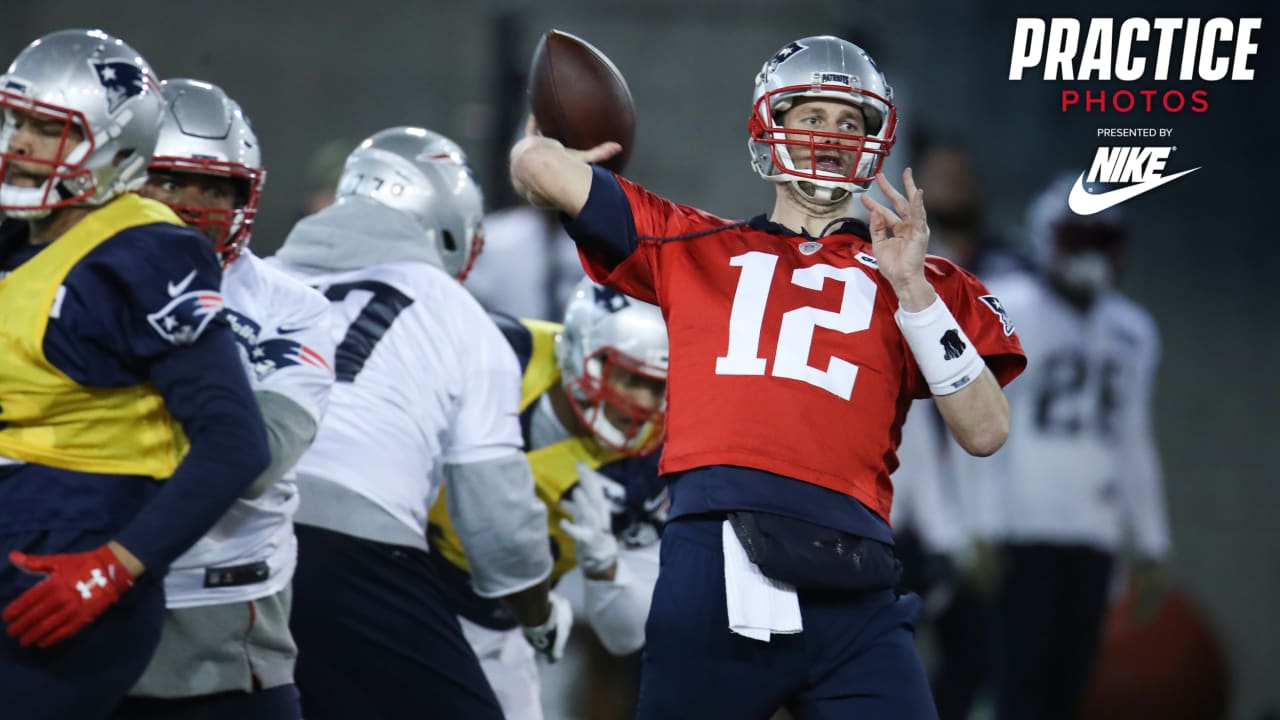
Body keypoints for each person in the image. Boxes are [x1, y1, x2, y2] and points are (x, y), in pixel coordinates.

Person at [510, 34, 1027, 718]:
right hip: (718, 554)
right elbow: (538, 163)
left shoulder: (923, 279)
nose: (832, 136)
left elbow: (987, 430)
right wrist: (550, 144)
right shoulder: (692, 244)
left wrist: (914, 296)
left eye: (851, 122)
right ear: (770, 124)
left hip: (858, 574)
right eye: (812, 115)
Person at [0, 29, 269, 718]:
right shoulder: (17, 237)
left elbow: (236, 440)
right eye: (16, 120)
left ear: (115, 146)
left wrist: (115, 567)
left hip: (58, 573)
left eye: (47, 128)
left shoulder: (143, 253)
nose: (21, 142)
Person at [270, 127, 567, 719]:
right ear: (452, 225)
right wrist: (538, 616)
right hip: (353, 553)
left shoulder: (257, 277)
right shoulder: (459, 315)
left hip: (228, 538)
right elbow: (499, 531)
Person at [112, 79, 335, 719]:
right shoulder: (64, 276)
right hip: (78, 604)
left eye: (215, 188)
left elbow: (255, 457)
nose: (190, 204)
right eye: (169, 180)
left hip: (220, 623)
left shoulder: (291, 307)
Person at [959, 173, 1171, 720]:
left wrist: (1149, 539)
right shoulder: (1010, 305)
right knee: (1019, 683)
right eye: (1078, 240)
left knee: (1069, 686)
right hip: (1023, 522)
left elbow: (1132, 437)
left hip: (1093, 526)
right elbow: (980, 419)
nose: (1089, 258)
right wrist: (977, 522)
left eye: (1101, 242)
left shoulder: (1133, 329)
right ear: (1045, 238)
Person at [428, 276, 669, 720]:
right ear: (579, 349)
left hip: (495, 625)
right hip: (400, 571)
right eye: (630, 378)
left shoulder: (649, 468)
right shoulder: (500, 352)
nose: (643, 403)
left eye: (659, 387)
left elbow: (626, 635)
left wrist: (605, 568)